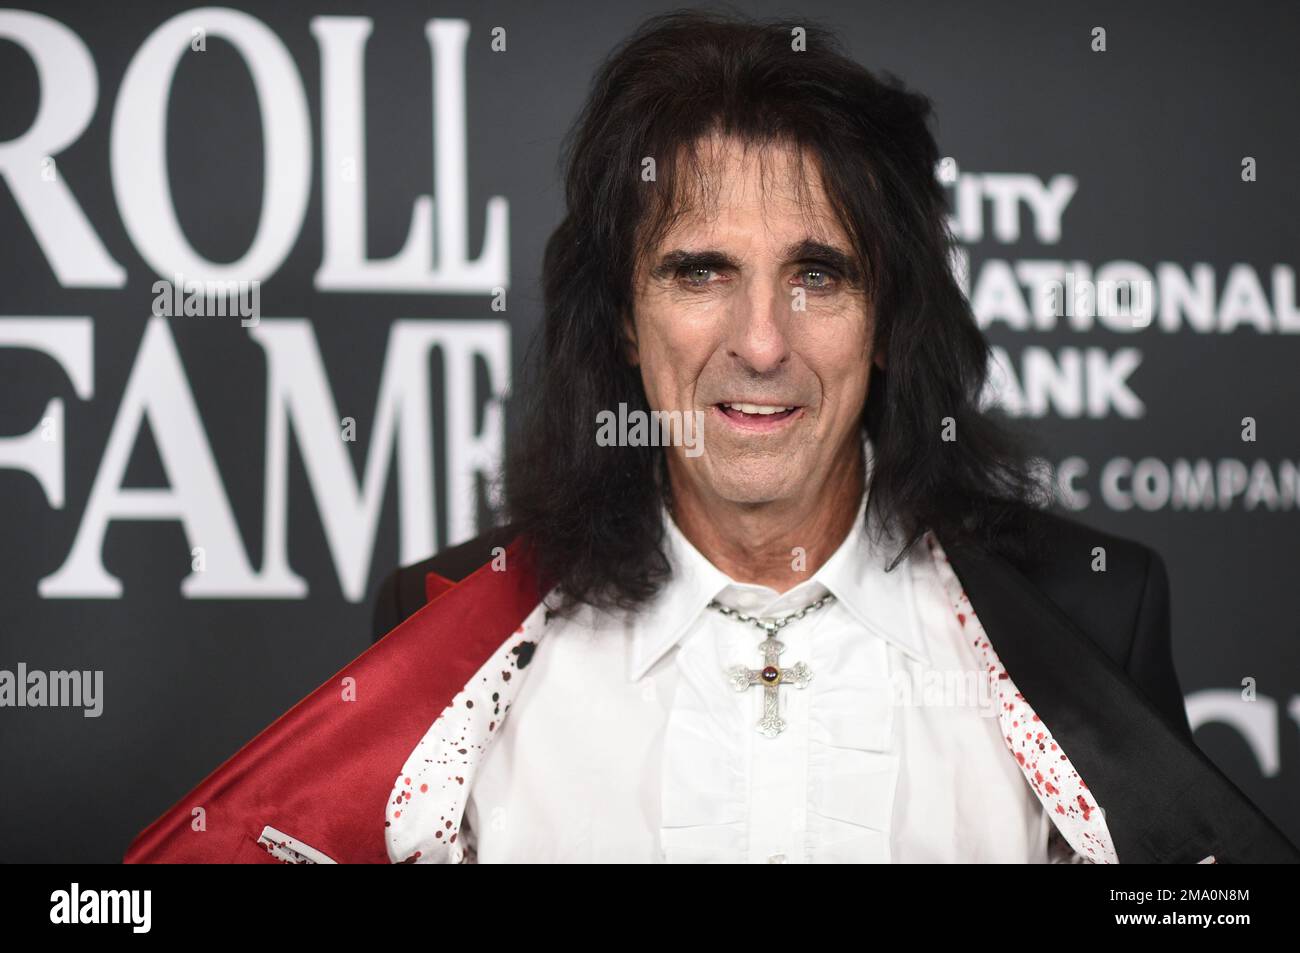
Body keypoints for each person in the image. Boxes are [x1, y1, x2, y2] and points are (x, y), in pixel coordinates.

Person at [124, 10, 1298, 865]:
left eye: (819, 274)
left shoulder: (1092, 610)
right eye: (699, 271)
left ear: (889, 319)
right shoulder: (450, 633)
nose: (761, 341)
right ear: (621, 319)